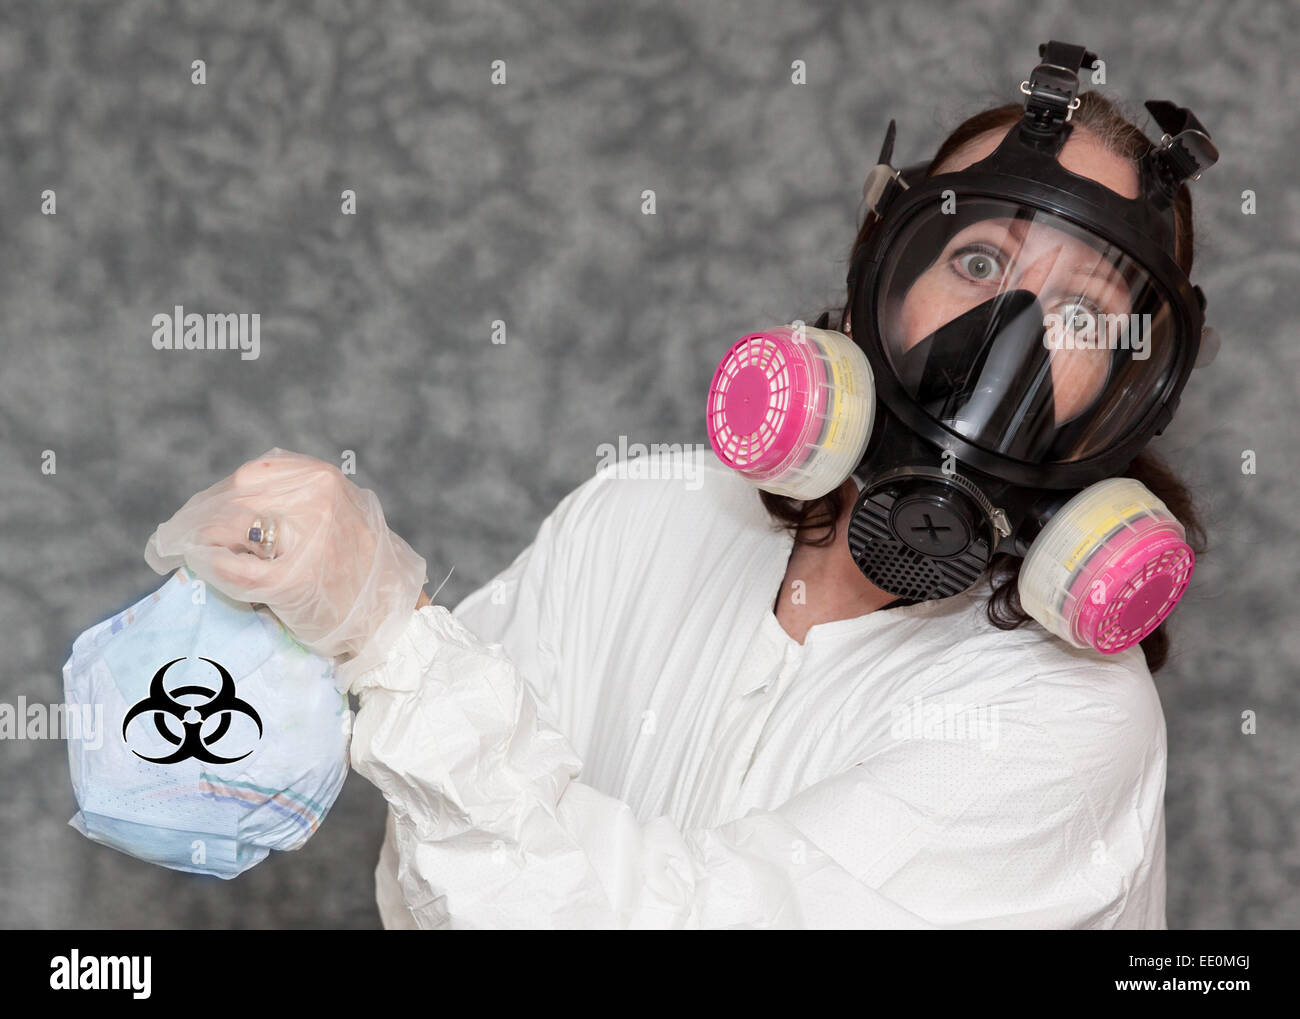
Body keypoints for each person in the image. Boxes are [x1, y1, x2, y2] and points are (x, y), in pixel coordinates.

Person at [144, 42, 1217, 927]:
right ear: (877, 270)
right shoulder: (643, 515)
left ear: (1128, 388)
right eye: (979, 265)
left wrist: (386, 630)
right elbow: (443, 880)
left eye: (1080, 315)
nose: (1006, 345)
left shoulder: (1066, 718)